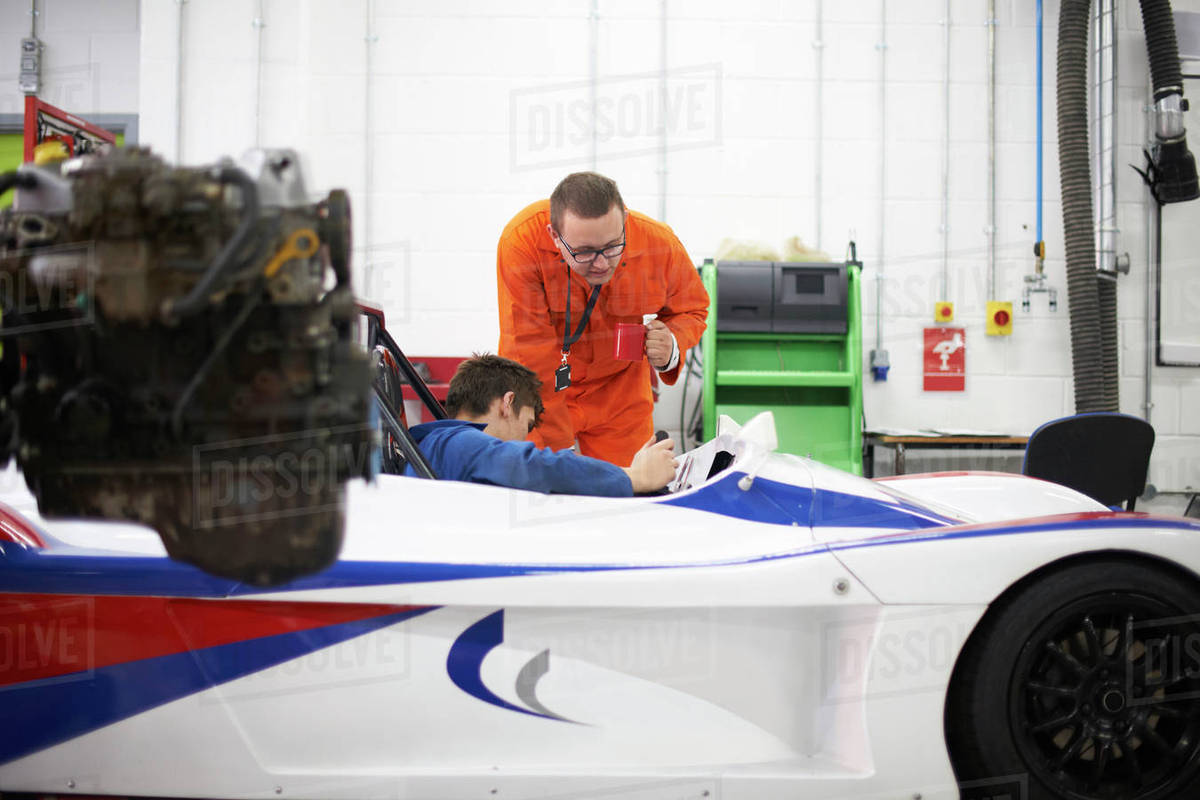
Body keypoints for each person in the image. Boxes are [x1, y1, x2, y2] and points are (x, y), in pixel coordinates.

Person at [496, 172, 708, 467]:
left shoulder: (658, 243)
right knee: (539, 480)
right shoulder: (523, 241)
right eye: (584, 252)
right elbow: (530, 351)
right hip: (541, 390)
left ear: (624, 220)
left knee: (631, 485)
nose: (601, 263)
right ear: (554, 235)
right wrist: (560, 456)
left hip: (620, 392)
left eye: (612, 246)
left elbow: (691, 307)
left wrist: (671, 345)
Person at [404, 354, 678, 496]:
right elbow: (537, 466)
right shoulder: (458, 442)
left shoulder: (437, 446)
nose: (524, 440)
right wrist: (635, 477)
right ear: (507, 403)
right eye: (527, 426)